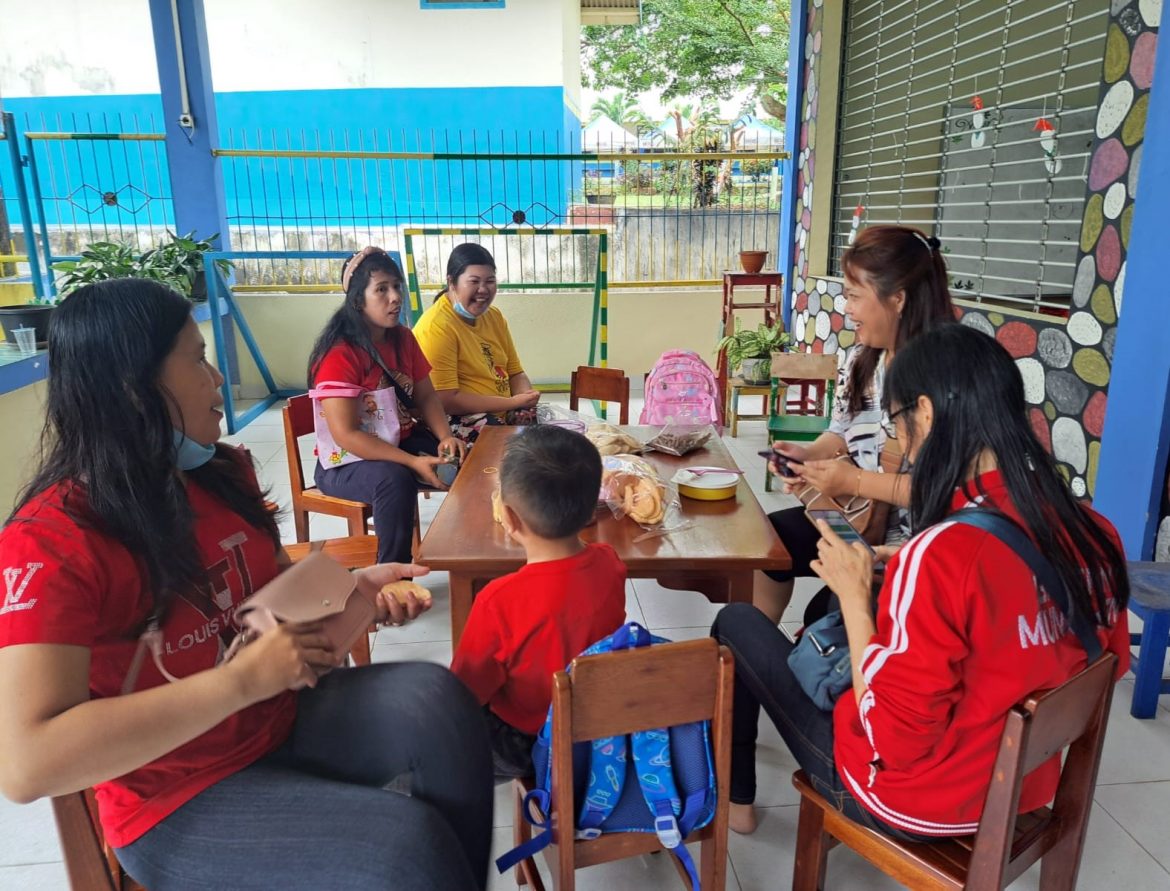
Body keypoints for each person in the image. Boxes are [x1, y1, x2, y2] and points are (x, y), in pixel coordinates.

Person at [0, 280, 493, 890]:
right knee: (405, 849)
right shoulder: (56, 538)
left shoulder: (219, 472)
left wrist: (355, 592)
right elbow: (27, 761)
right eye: (198, 359)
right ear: (134, 388)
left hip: (277, 719)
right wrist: (239, 682)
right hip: (178, 794)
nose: (216, 381)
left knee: (440, 704)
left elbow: (271, 603)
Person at [712, 324, 1130, 840]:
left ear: (926, 413)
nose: (901, 445)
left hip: (919, 803)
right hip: (1024, 785)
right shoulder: (1096, 532)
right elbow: (1107, 668)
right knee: (830, 626)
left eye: (898, 425)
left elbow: (891, 739)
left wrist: (855, 597)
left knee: (738, 621)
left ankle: (735, 795)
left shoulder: (948, 552)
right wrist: (909, 567)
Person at [757, 225, 956, 624]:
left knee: (823, 618)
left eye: (853, 296)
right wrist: (806, 456)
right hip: (858, 519)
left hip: (909, 545)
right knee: (767, 548)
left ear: (897, 299)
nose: (846, 308)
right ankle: (762, 649)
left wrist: (852, 481)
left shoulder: (947, 376)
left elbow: (943, 491)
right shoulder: (863, 360)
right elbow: (839, 433)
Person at [450, 425, 626, 776]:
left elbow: (465, 693)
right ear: (592, 509)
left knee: (434, 729)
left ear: (509, 518)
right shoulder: (610, 562)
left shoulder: (498, 600)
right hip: (596, 726)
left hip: (527, 740)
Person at [308, 246, 466, 565]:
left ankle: (471, 552)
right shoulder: (339, 353)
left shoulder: (403, 338)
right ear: (357, 300)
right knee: (394, 479)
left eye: (396, 286)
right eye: (381, 289)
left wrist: (445, 437)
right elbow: (347, 435)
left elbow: (426, 397)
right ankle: (393, 578)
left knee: (463, 456)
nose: (394, 297)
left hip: (397, 441)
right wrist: (411, 463)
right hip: (344, 462)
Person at [413, 243, 541, 444]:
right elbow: (445, 400)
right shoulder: (437, 326)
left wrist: (526, 399)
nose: (483, 290)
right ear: (451, 282)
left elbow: (515, 372)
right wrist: (512, 402)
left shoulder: (494, 317)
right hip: (456, 417)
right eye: (474, 281)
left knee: (542, 443)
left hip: (501, 410)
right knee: (507, 446)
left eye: (490, 281)